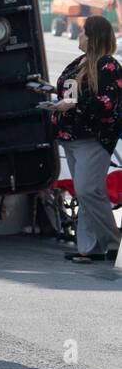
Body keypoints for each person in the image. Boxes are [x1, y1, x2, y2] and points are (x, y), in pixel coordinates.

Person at [51, 15, 122, 262]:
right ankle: (89, 247)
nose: (79, 36)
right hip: (71, 137)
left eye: (82, 32)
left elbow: (107, 105)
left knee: (88, 189)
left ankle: (113, 242)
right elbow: (68, 92)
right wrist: (60, 101)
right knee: (87, 192)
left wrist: (72, 106)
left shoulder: (108, 66)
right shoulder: (78, 64)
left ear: (93, 37)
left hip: (93, 139)